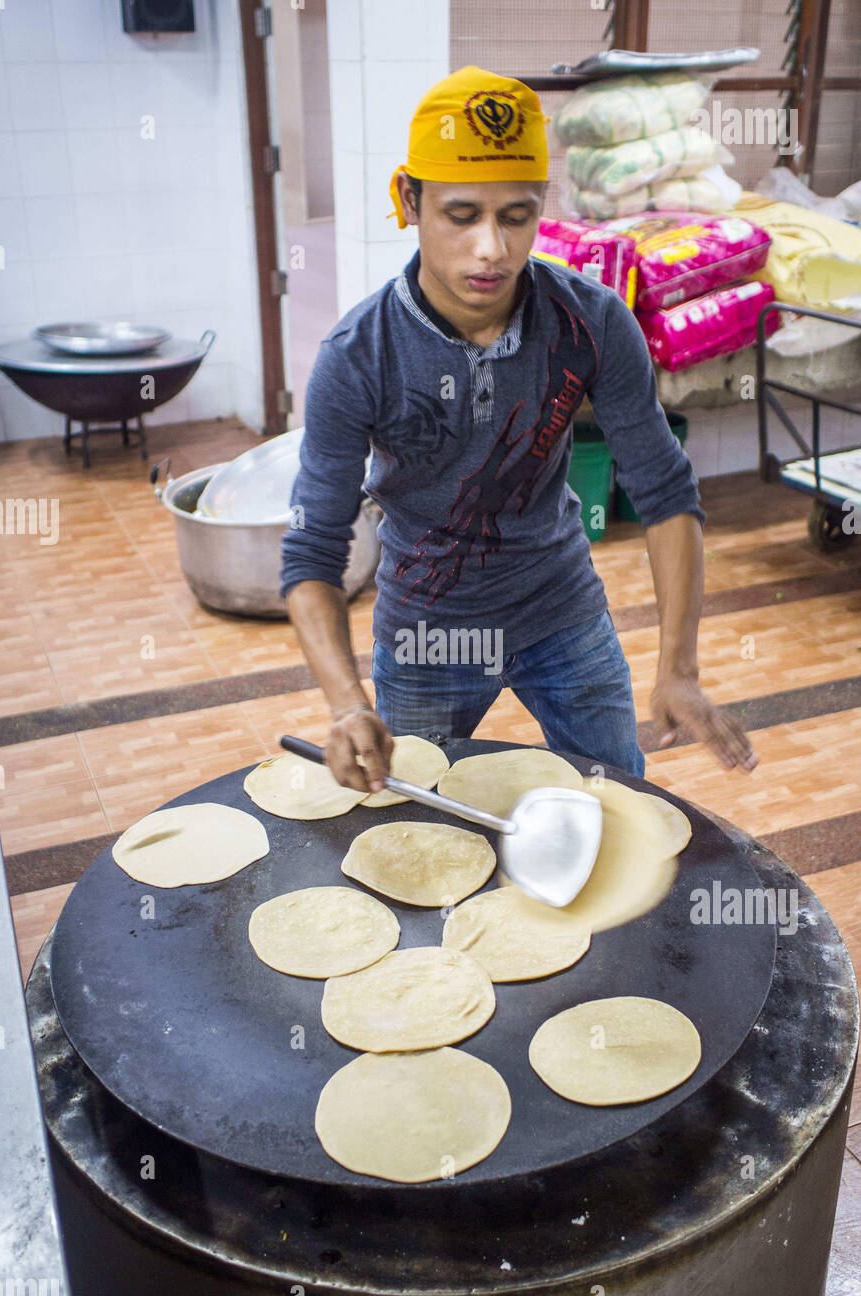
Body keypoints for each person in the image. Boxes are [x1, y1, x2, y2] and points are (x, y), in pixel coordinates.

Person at [280, 66, 757, 794]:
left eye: (516, 216)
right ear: (410, 200)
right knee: (424, 832)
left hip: (560, 613)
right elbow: (312, 550)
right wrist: (348, 704)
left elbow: (663, 493)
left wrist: (679, 671)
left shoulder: (592, 323)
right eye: (462, 214)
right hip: (425, 636)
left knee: (618, 807)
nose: (491, 250)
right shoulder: (358, 357)